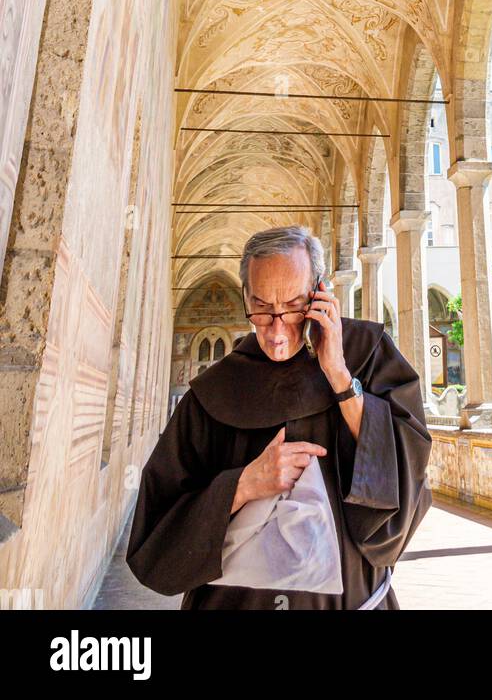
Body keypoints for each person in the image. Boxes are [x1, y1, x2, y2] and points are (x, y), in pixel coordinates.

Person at [126, 226, 433, 609]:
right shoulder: (212, 393)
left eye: (292, 307)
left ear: (319, 293)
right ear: (245, 296)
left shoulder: (369, 358)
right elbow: (156, 538)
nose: (276, 332)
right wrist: (242, 485)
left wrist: (339, 376)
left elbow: (406, 483)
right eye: (261, 309)